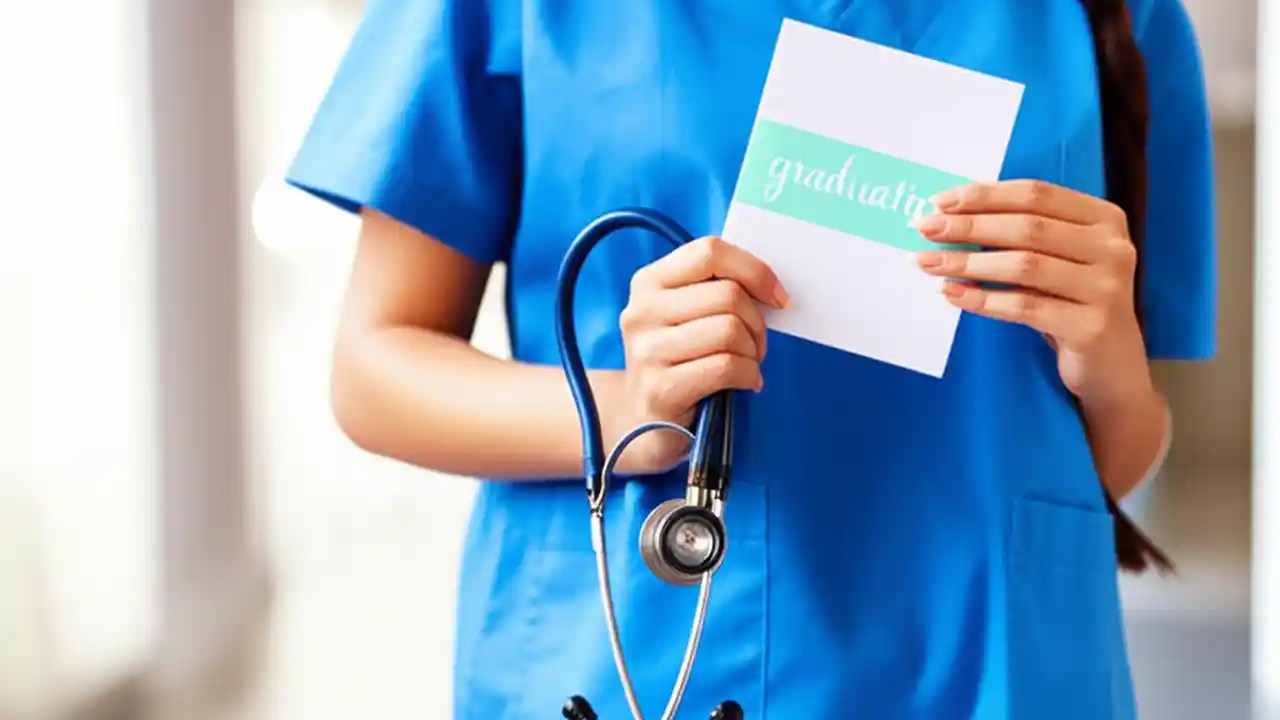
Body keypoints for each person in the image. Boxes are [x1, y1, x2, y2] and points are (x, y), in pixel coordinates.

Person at [285, 0, 1214, 717]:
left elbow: (1111, 462)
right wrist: (629, 412)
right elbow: (374, 368)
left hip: (1003, 665)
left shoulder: (1124, 15)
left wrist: (1110, 361)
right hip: (648, 660)